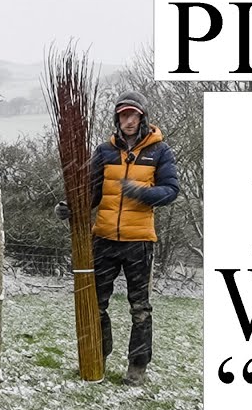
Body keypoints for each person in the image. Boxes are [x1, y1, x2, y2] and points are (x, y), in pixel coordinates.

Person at [55, 91, 179, 386]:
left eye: (133, 115)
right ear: (117, 119)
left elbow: (171, 190)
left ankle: (137, 369)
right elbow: (91, 194)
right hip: (105, 238)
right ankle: (97, 357)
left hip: (139, 241)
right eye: (123, 115)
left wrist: (142, 193)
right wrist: (70, 207)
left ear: (142, 117)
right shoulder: (105, 152)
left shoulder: (159, 151)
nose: (129, 120)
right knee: (96, 303)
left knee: (140, 307)